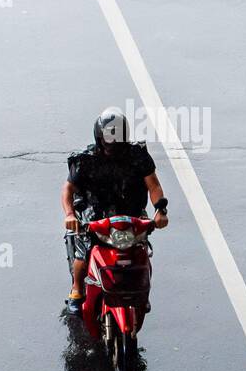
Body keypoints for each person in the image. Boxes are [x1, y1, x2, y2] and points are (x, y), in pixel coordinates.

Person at [62, 109, 168, 315]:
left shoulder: (138, 156)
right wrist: (70, 214)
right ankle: (77, 289)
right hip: (96, 217)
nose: (111, 145)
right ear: (99, 138)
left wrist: (160, 210)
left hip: (132, 216)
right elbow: (68, 189)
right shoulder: (85, 160)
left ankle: (142, 292)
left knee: (142, 254)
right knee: (83, 256)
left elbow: (153, 185)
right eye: (107, 140)